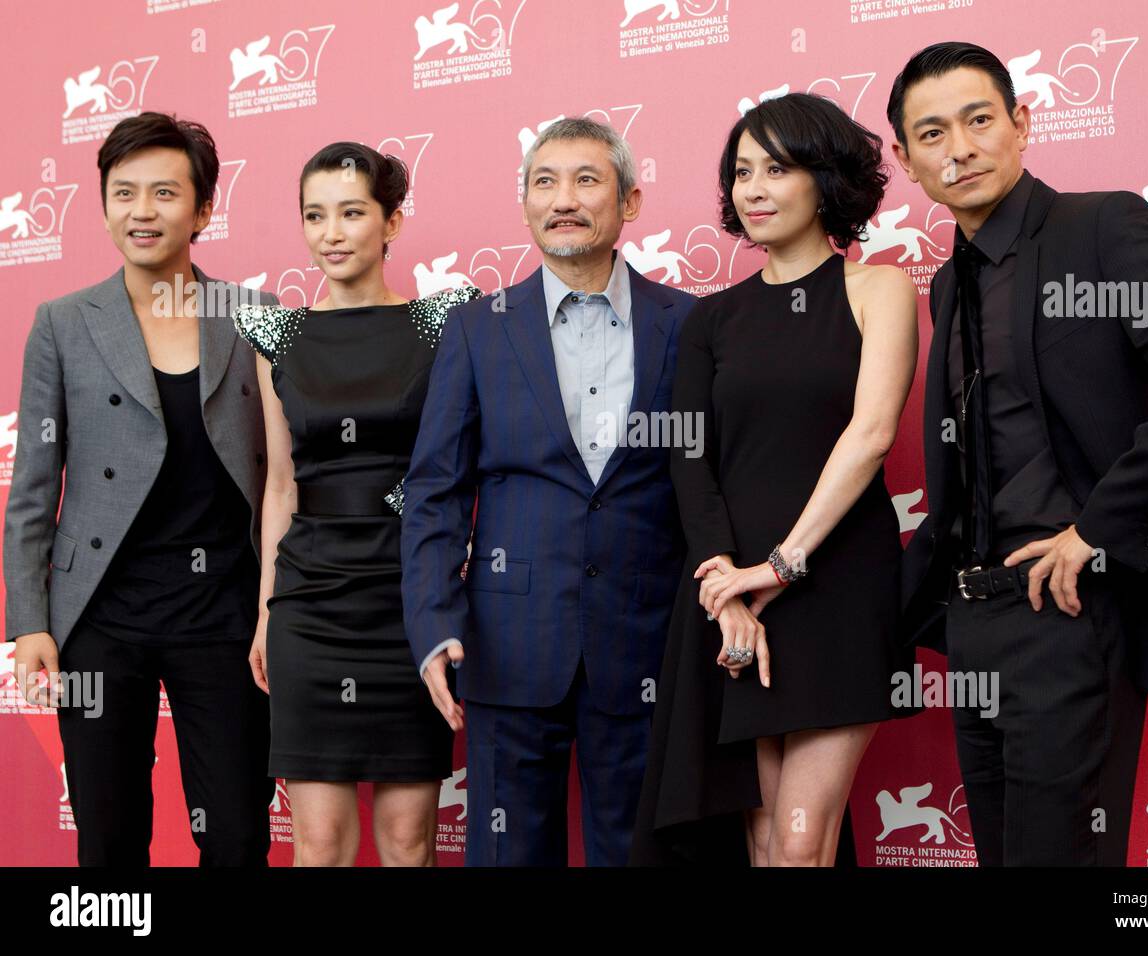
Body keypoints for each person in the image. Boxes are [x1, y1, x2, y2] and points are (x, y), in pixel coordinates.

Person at [890, 42, 1148, 865]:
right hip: (975, 620)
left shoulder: (1097, 229)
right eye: (932, 133)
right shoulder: (950, 281)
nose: (959, 147)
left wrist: (1100, 529)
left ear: (1021, 125)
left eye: (979, 120)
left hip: (1065, 611)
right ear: (906, 160)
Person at [630, 92, 921, 867]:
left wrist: (780, 567)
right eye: (741, 172)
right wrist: (728, 585)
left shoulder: (878, 288)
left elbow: (870, 435)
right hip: (734, 597)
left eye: (777, 168)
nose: (752, 189)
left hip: (836, 585)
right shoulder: (711, 320)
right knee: (759, 840)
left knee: (800, 843)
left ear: (825, 179)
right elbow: (689, 458)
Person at [401, 116, 697, 866]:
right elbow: (434, 488)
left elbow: (707, 479)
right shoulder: (477, 330)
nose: (564, 199)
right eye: (544, 182)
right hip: (507, 646)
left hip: (647, 641)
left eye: (587, 180)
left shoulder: (688, 325)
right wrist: (434, 620)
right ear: (526, 204)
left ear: (629, 202)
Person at [4, 111, 275, 866]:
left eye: (163, 193)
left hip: (222, 616)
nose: (142, 212)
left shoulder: (254, 316)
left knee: (237, 832)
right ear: (103, 204)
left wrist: (274, 607)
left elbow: (287, 477)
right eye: (124, 193)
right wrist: (29, 622)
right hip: (99, 618)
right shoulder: (61, 323)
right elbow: (32, 485)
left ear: (203, 210)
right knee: (109, 834)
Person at [233, 143, 480, 866]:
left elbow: (462, 465)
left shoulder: (442, 323)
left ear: (392, 221)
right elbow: (281, 484)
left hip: (408, 597)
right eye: (314, 215)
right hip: (309, 603)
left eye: (351, 213)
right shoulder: (278, 334)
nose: (330, 233)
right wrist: (265, 610)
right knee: (320, 844)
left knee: (409, 843)